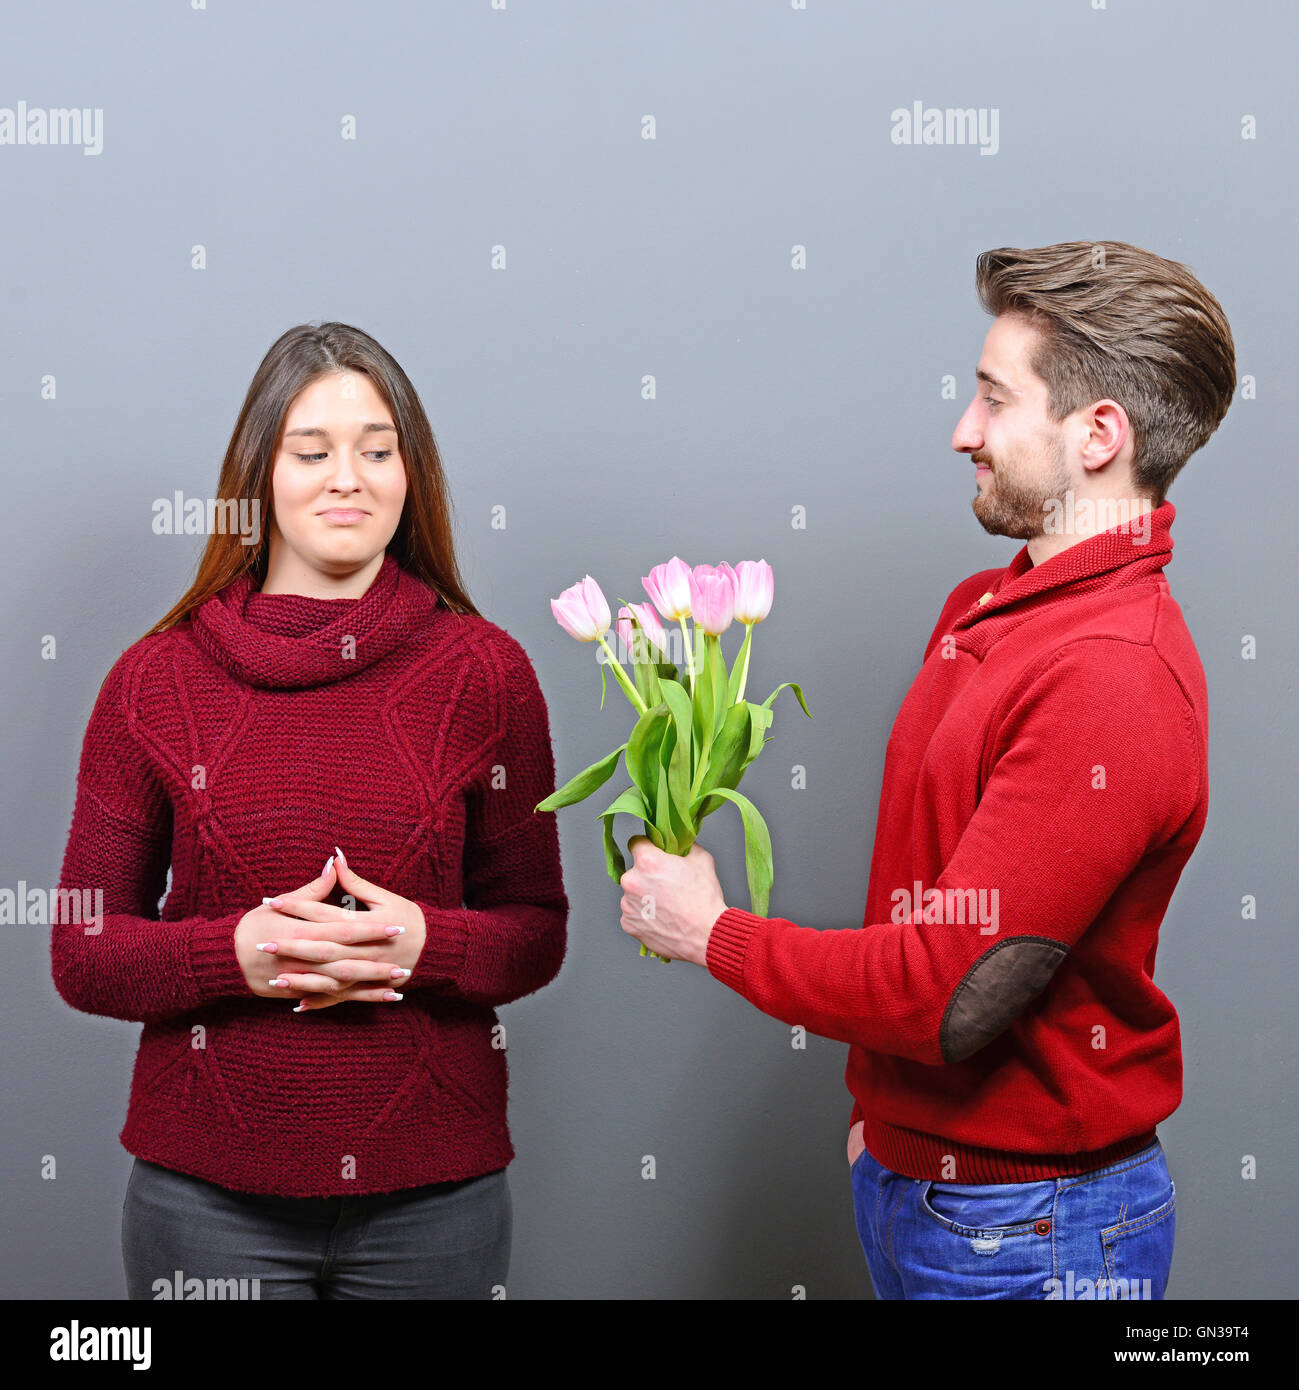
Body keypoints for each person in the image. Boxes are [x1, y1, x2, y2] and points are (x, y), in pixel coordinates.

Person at [616, 241, 1235, 1300]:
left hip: (1036, 1231)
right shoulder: (988, 608)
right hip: (932, 1194)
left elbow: (947, 993)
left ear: (1098, 435)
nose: (964, 430)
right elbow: (935, 903)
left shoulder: (1111, 679)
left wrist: (709, 931)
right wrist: (892, 1131)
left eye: (995, 399)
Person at [52, 322, 568, 1300]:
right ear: (259, 472)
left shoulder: (486, 673)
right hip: (205, 1208)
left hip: (436, 1204)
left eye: (377, 450)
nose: (349, 477)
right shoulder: (153, 681)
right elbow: (80, 946)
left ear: (410, 474)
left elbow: (536, 934)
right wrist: (235, 955)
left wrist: (425, 945)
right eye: (313, 450)